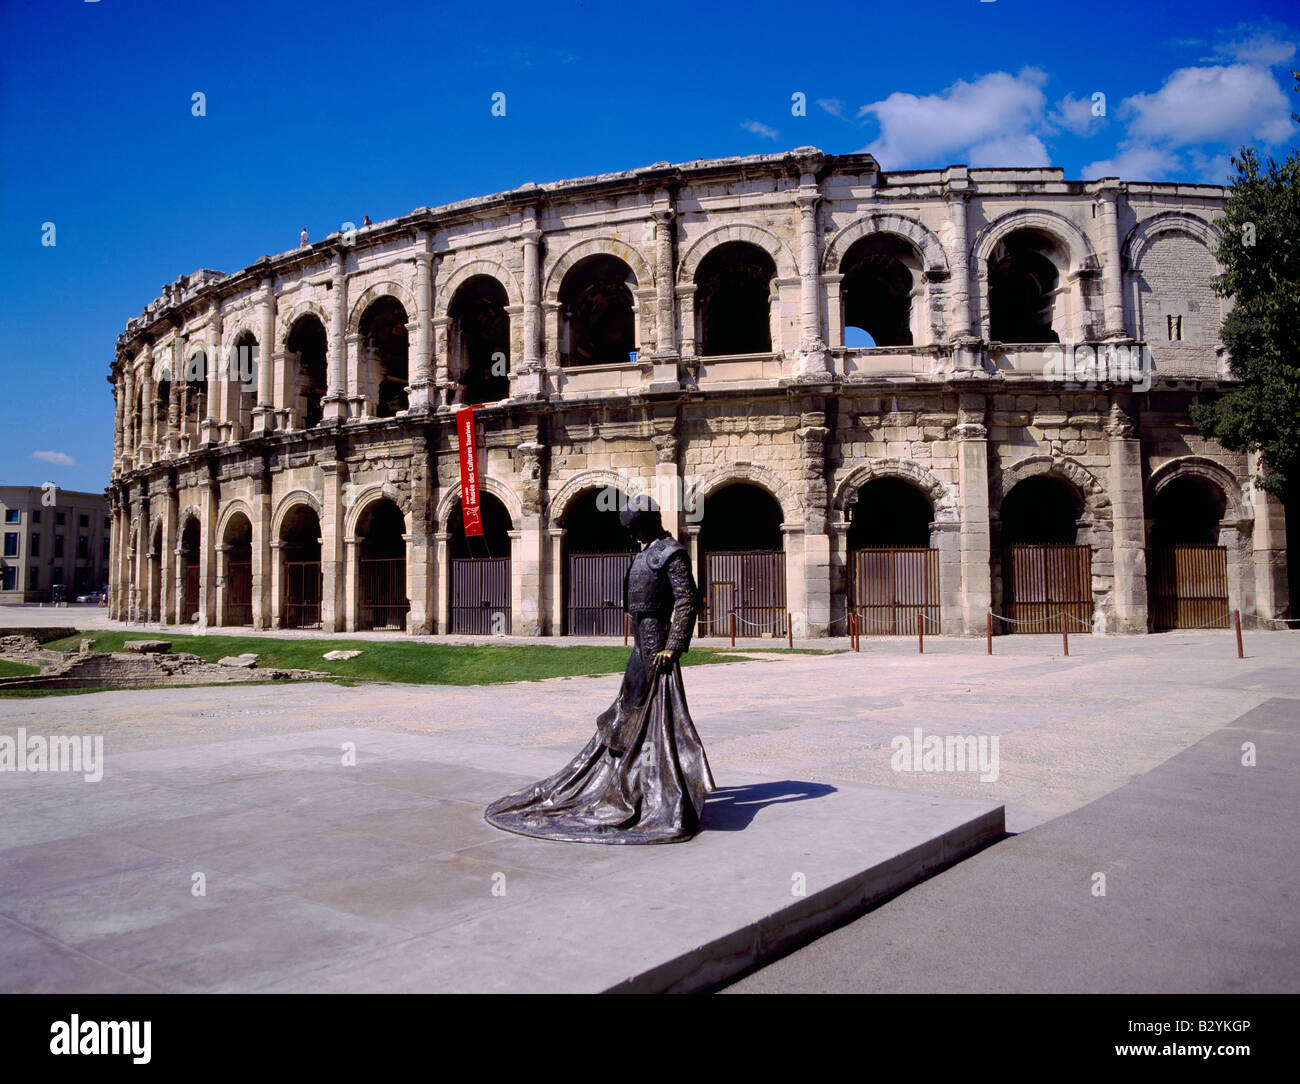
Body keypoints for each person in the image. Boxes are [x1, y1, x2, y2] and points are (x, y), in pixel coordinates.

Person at [484, 496, 715, 844]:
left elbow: (686, 600)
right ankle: (630, 775)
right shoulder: (645, 551)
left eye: (634, 527)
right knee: (629, 709)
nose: (632, 534)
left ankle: (654, 784)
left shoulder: (671, 552)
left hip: (656, 645)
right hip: (641, 643)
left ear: (648, 521)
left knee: (655, 716)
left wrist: (674, 645)